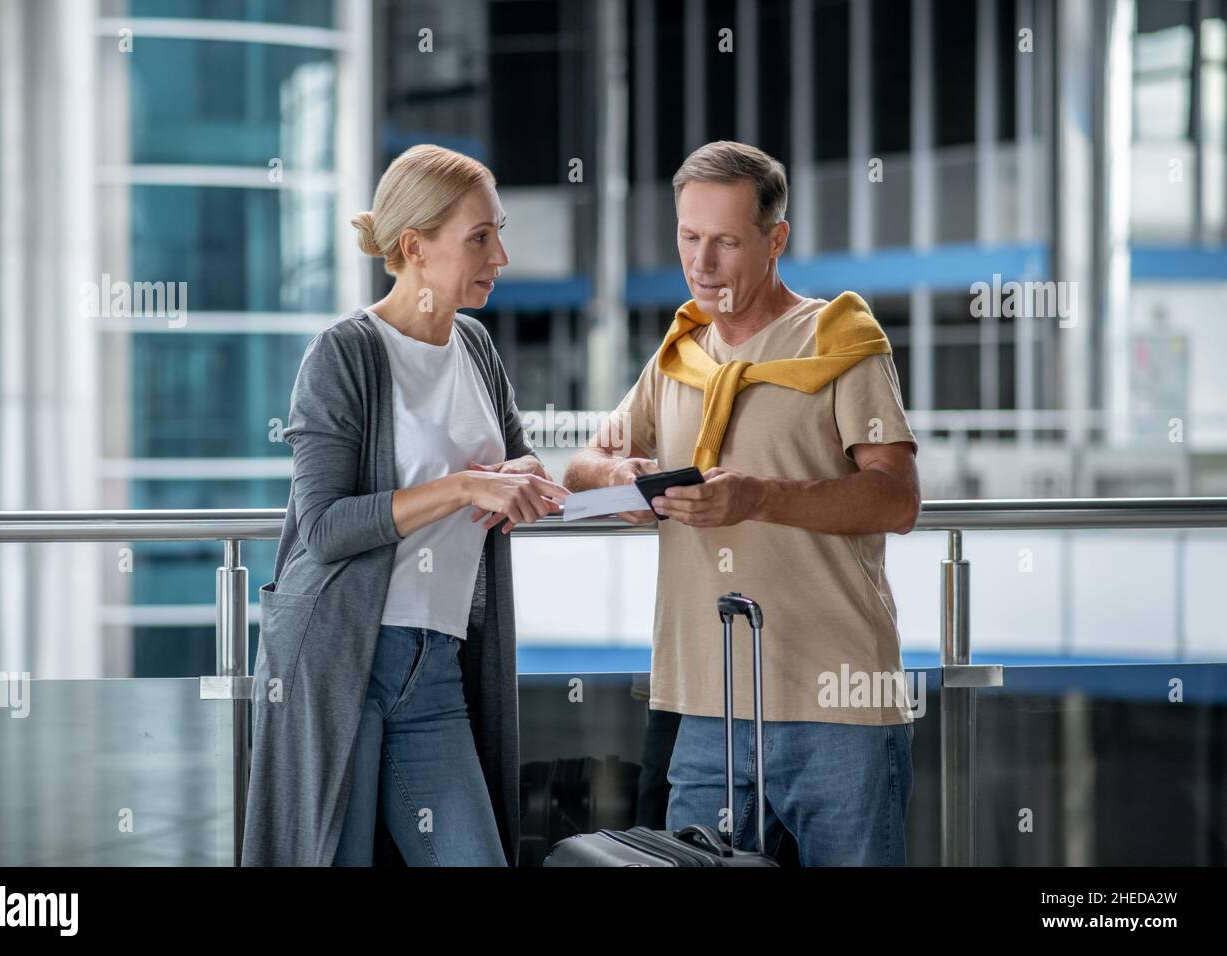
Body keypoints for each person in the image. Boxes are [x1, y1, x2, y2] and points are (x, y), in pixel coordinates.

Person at [565, 140, 921, 865]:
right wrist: (618, 481)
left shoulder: (841, 340)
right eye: (689, 238)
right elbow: (579, 463)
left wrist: (758, 496)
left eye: (726, 241)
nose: (702, 262)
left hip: (840, 703)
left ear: (775, 239)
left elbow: (896, 498)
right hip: (708, 708)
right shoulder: (679, 354)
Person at [242, 144, 568, 867]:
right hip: (340, 663)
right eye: (479, 237)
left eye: (498, 232)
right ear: (415, 247)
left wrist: (525, 479)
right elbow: (323, 530)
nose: (501, 256)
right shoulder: (342, 355)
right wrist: (463, 487)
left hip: (438, 664)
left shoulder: (477, 347)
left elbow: (518, 457)